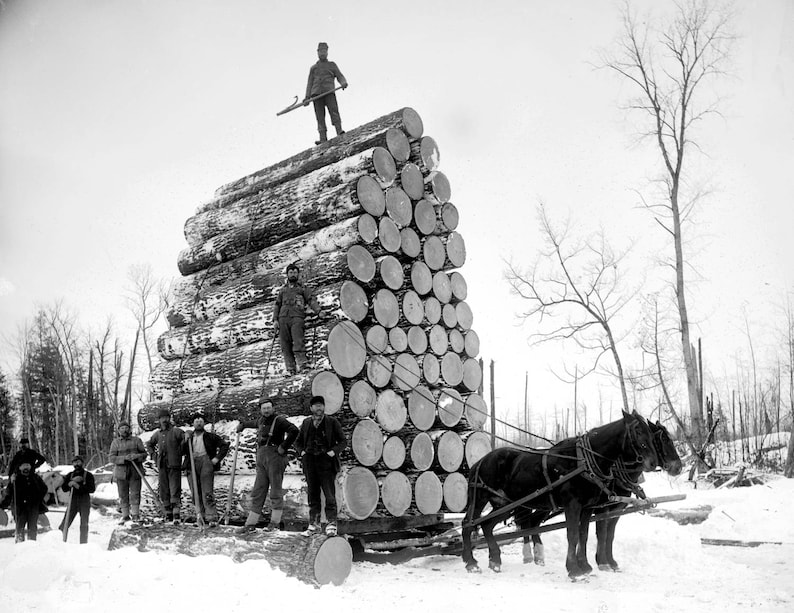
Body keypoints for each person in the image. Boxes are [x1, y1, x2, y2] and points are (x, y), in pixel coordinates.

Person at [236, 398, 299, 532]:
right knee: (259, 490)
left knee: (275, 490)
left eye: (268, 408)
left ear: (273, 408)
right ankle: (250, 524)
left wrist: (283, 447)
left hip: (275, 457)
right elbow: (252, 423)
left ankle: (274, 523)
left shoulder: (279, 420)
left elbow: (294, 431)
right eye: (264, 408)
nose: (266, 410)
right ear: (261, 410)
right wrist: (243, 425)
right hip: (261, 457)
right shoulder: (261, 420)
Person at [295, 395, 346, 537]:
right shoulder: (306, 423)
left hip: (326, 463)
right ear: (311, 408)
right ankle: (314, 524)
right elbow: (297, 442)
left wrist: (332, 452)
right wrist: (303, 452)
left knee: (329, 494)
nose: (319, 408)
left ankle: (331, 524)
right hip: (310, 462)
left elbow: (343, 442)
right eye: (316, 405)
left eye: (321, 405)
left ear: (324, 407)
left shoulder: (332, 422)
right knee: (313, 495)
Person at [273, 263, 322, 374]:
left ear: (298, 274)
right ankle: (290, 369)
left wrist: (318, 311)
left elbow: (311, 300)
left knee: (298, 341)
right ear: (287, 274)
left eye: (295, 272)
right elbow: (277, 305)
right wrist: (275, 320)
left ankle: (303, 364)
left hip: (297, 318)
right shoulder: (283, 290)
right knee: (285, 345)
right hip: (283, 318)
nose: (293, 274)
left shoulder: (302, 288)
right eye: (291, 272)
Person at [182, 416, 230, 528]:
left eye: (201, 421)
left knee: (207, 491)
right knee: (195, 491)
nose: (198, 423)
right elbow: (181, 450)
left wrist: (216, 459)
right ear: (193, 423)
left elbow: (224, 445)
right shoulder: (189, 437)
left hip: (206, 463)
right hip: (192, 464)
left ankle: (212, 517)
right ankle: (200, 516)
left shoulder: (210, 437)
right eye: (196, 421)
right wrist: (185, 440)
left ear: (204, 424)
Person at [303, 41, 348, 145]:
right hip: (316, 95)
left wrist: (343, 82)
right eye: (320, 51)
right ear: (317, 52)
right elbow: (309, 83)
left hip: (329, 92)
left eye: (324, 51)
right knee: (319, 116)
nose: (322, 53)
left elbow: (339, 76)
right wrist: (307, 97)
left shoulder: (332, 65)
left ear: (327, 52)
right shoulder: (313, 68)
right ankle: (323, 138)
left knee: (334, 111)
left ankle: (339, 130)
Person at [146, 409, 185, 524]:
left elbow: (185, 436)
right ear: (159, 420)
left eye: (166, 417)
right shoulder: (157, 434)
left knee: (175, 488)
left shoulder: (175, 431)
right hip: (162, 465)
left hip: (174, 465)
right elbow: (149, 444)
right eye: (161, 418)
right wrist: (154, 456)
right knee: (164, 489)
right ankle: (168, 513)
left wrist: (186, 436)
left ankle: (176, 514)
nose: (164, 420)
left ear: (169, 418)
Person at [108, 421, 148, 523]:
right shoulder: (115, 442)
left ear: (129, 429)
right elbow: (111, 458)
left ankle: (135, 515)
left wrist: (136, 456)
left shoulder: (137, 440)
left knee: (135, 493)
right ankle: (125, 515)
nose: (124, 430)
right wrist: (124, 458)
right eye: (122, 428)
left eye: (126, 428)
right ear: (118, 431)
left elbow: (144, 454)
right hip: (121, 473)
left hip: (136, 471)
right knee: (123, 494)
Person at [0, 461, 48, 542]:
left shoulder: (35, 477)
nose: (26, 467)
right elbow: (9, 493)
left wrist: (37, 499)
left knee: (32, 526)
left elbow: (44, 489)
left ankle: (32, 543)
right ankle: (20, 544)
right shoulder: (15, 478)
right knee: (20, 526)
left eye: (27, 465)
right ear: (19, 467)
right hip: (20, 507)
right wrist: (3, 505)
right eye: (23, 465)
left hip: (33, 507)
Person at [59, 455, 96, 544]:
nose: (76, 464)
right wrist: (69, 484)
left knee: (84, 524)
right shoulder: (69, 475)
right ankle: (60, 541)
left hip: (84, 501)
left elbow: (92, 489)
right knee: (65, 523)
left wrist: (78, 486)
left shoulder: (88, 475)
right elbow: (64, 488)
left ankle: (83, 544)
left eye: (78, 462)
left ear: (82, 463)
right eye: (74, 462)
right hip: (73, 501)